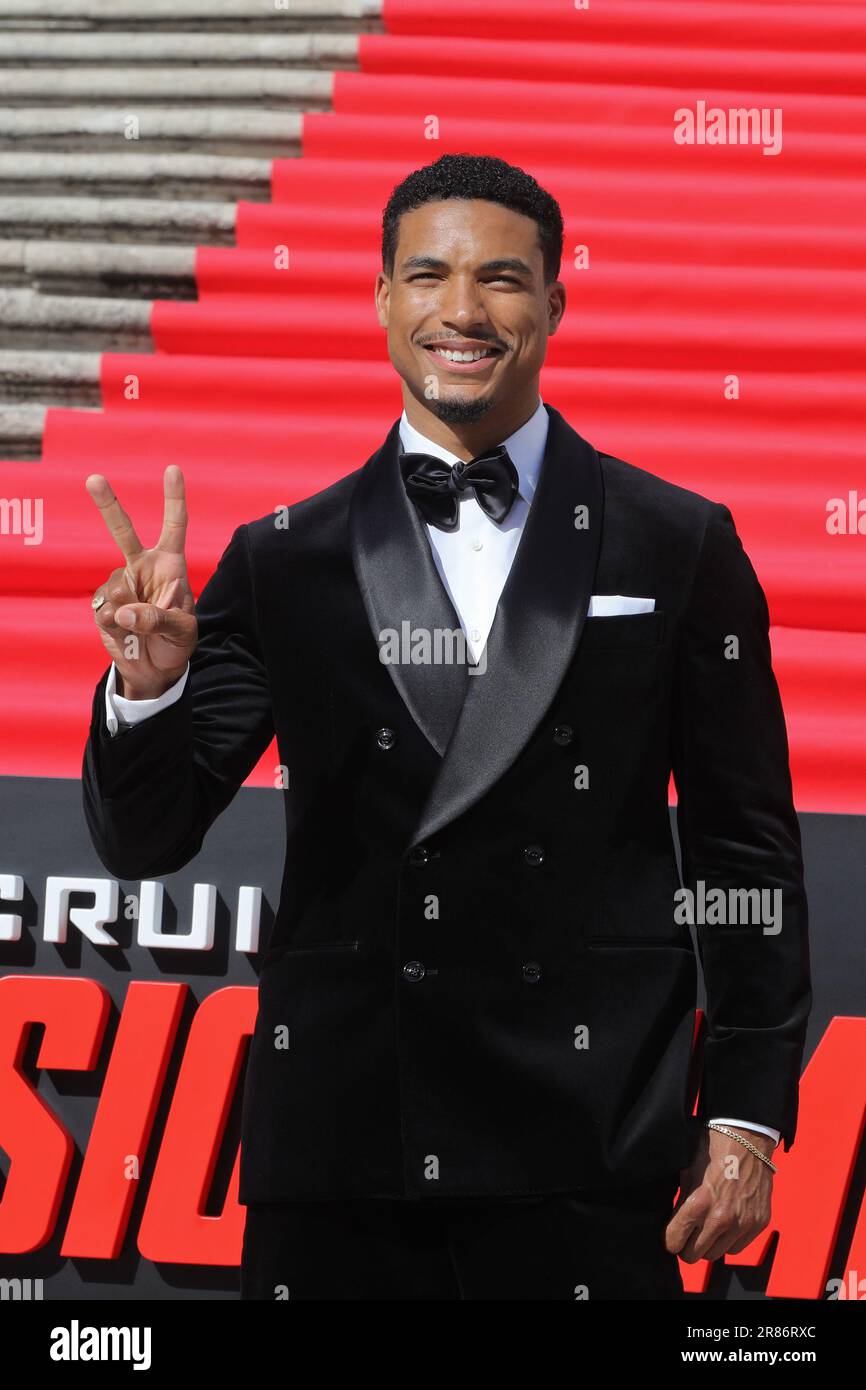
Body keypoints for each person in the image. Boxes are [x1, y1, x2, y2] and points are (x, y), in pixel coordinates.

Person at [82, 153, 811, 1300]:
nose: (460, 312)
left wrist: (746, 1112)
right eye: (426, 275)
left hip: (588, 1141)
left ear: (556, 304)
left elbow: (740, 850)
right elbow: (145, 837)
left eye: (501, 280)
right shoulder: (282, 558)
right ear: (381, 300)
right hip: (343, 1149)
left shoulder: (676, 542)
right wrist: (147, 691)